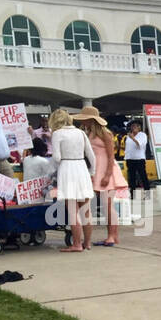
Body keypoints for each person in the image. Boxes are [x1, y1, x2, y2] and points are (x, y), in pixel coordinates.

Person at [74, 105, 128, 246]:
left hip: (106, 171)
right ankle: (111, 236)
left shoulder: (105, 133)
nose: (83, 122)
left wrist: (107, 174)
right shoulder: (88, 133)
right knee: (104, 205)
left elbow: (111, 156)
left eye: (85, 119)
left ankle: (112, 235)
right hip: (95, 171)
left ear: (92, 120)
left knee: (108, 205)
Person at [48, 108, 95, 252]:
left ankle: (76, 244)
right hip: (82, 168)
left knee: (73, 211)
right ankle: (87, 243)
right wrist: (92, 172)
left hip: (67, 169)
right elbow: (91, 155)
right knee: (86, 211)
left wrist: (52, 171)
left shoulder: (57, 134)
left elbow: (56, 157)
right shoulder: (80, 133)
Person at [123, 120, 150, 193]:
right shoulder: (129, 136)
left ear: (139, 127)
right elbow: (128, 147)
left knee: (143, 177)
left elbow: (140, 145)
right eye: (132, 126)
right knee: (131, 178)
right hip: (130, 159)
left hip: (139, 159)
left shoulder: (142, 135)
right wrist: (126, 157)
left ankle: (147, 194)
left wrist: (133, 138)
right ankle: (132, 194)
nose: (134, 128)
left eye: (135, 126)